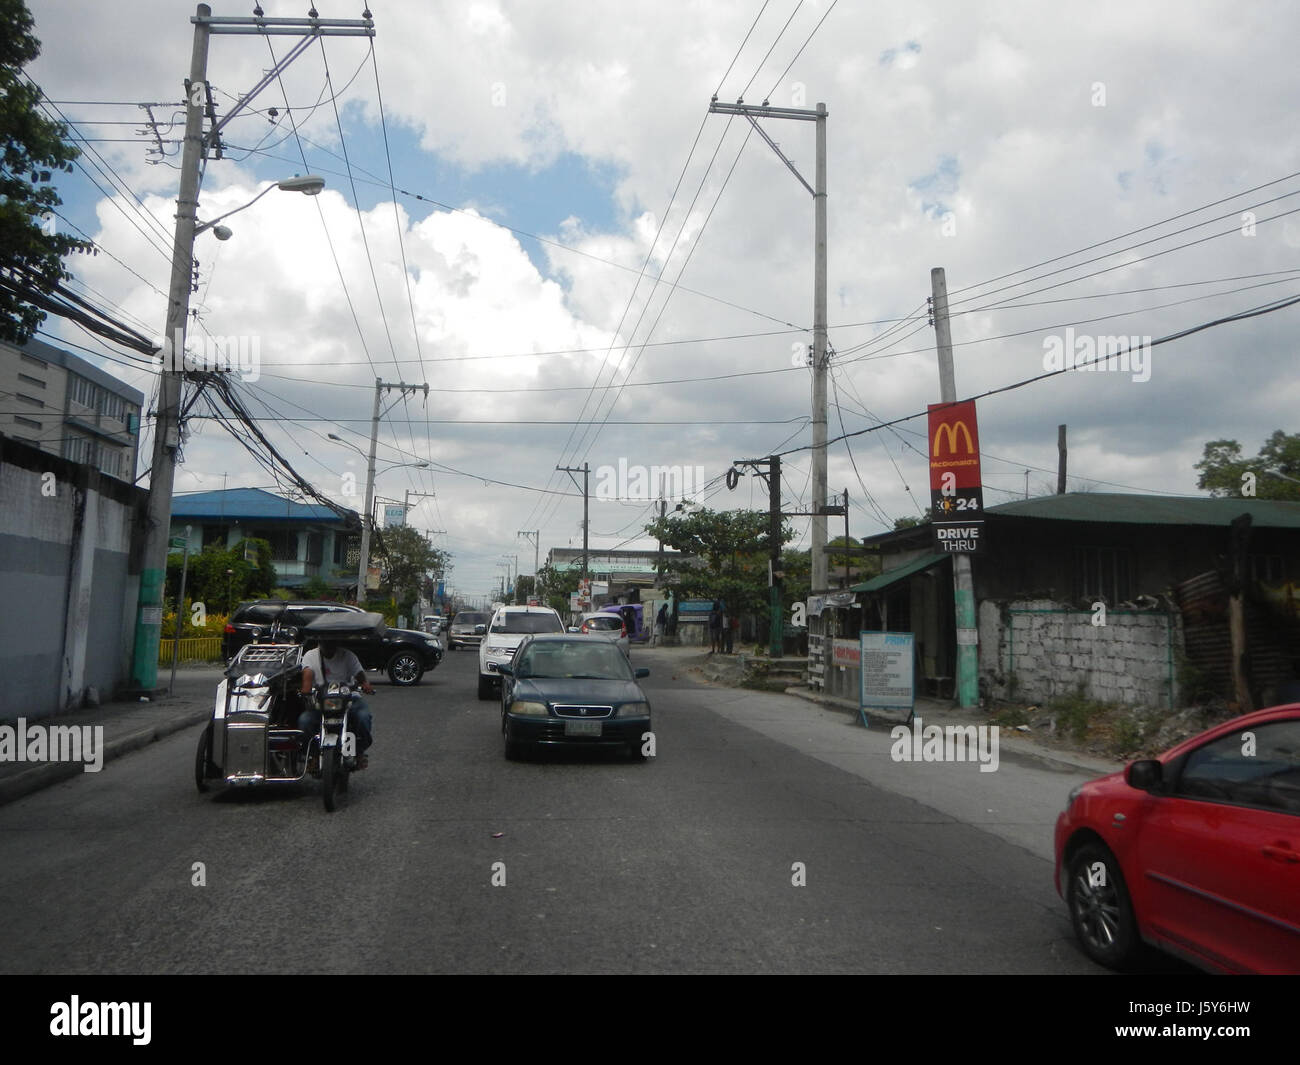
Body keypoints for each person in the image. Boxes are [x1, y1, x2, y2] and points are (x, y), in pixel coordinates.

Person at [299, 638, 375, 768]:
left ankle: (359, 752)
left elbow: (359, 674)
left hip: (349, 698)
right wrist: (305, 691)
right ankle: (313, 755)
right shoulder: (310, 656)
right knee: (304, 721)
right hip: (321, 700)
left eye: (332, 640)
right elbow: (307, 674)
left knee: (363, 717)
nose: (329, 644)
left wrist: (365, 684)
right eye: (325, 640)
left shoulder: (348, 656)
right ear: (319, 641)